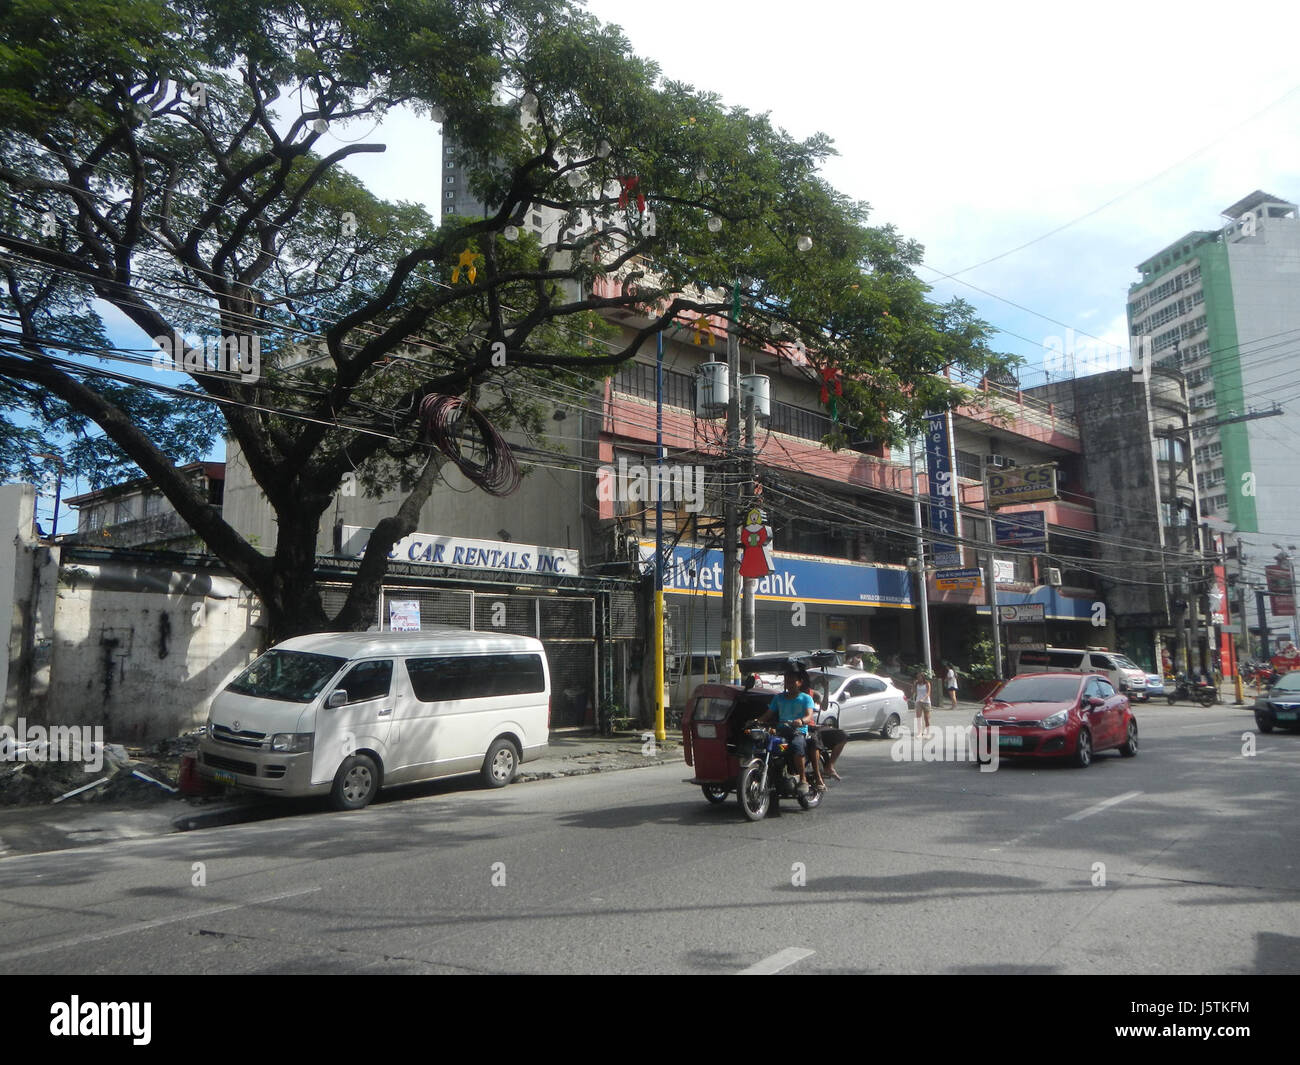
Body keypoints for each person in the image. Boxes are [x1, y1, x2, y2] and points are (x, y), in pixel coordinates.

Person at [759, 666, 816, 794]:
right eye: (787, 681)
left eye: (792, 681)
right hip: (782, 731)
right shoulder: (778, 698)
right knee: (767, 744)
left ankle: (803, 779)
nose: (789, 684)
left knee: (797, 745)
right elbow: (767, 715)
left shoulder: (806, 698)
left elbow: (809, 716)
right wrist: (757, 722)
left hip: (798, 731)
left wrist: (801, 721)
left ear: (800, 683)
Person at [913, 670, 932, 738]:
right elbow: (914, 692)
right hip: (918, 702)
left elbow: (928, 693)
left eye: (919, 676)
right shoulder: (917, 683)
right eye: (917, 677)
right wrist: (914, 685)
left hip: (926, 702)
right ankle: (919, 732)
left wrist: (923, 699)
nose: (918, 678)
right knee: (918, 717)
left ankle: (928, 733)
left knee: (926, 718)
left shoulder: (927, 683)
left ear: (923, 677)